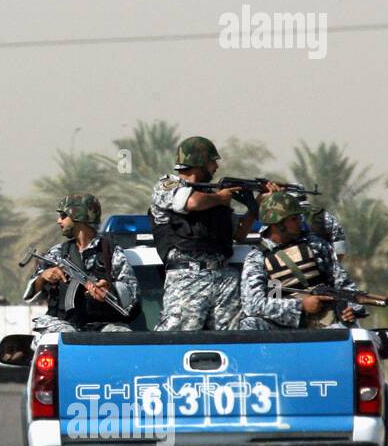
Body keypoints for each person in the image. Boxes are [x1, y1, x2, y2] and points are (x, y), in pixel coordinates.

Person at [150, 136, 278, 331]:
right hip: (188, 278)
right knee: (180, 341)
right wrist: (219, 197)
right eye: (212, 161)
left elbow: (240, 234)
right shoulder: (168, 185)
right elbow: (190, 203)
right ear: (199, 161)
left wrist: (256, 206)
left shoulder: (213, 197)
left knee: (232, 341)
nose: (216, 167)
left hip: (224, 277)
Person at [239, 191, 365, 330]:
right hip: (282, 327)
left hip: (325, 319)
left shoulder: (316, 245)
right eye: (294, 218)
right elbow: (253, 304)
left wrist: (351, 309)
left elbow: (343, 283)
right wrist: (301, 306)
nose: (300, 222)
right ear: (277, 223)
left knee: (347, 329)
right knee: (250, 324)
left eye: (299, 217)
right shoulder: (257, 258)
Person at [26, 193, 139, 334]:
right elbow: (31, 294)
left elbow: (131, 293)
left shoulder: (110, 252)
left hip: (101, 326)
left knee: (121, 334)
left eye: (63, 216)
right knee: (64, 335)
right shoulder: (58, 252)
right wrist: (43, 277)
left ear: (78, 217)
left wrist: (110, 290)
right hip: (62, 323)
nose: (58, 221)